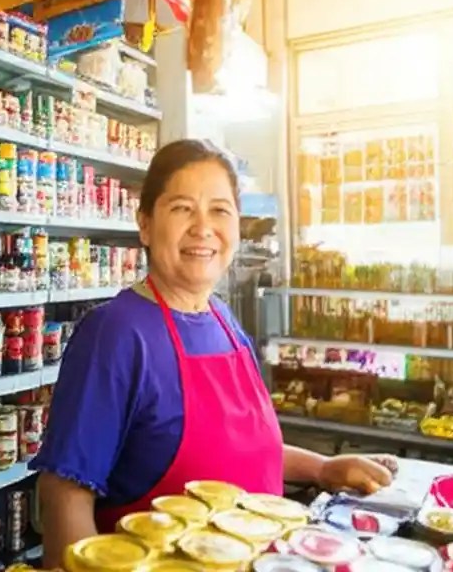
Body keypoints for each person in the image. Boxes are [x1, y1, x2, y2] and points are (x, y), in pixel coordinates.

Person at [31, 138, 397, 566]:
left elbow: (238, 450)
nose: (203, 228)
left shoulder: (224, 321)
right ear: (145, 224)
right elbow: (63, 496)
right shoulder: (114, 334)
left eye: (220, 210)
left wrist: (322, 468)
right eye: (182, 208)